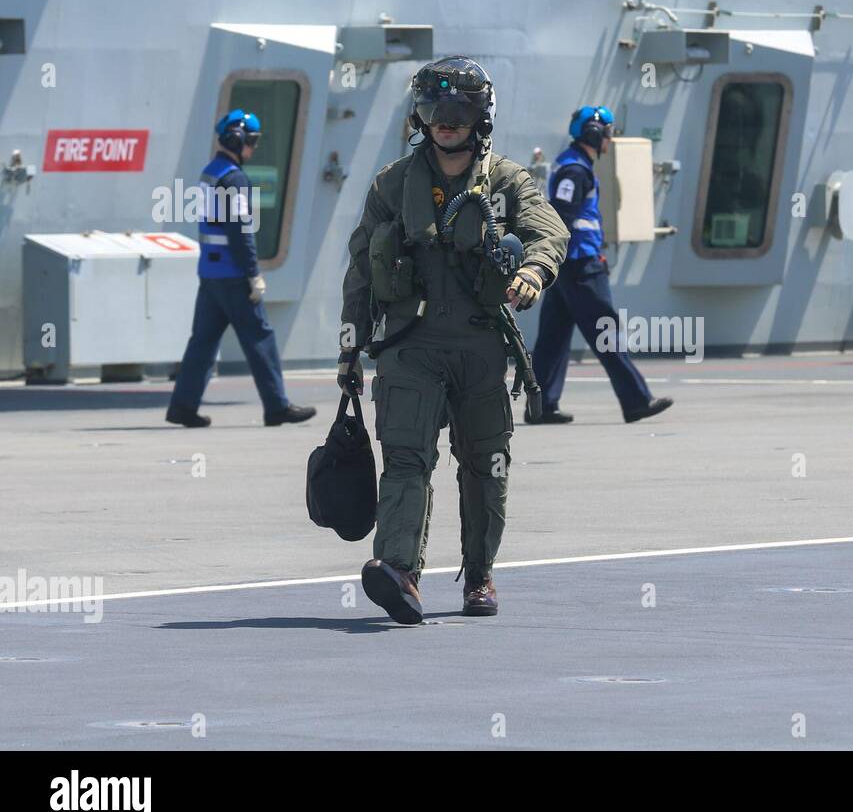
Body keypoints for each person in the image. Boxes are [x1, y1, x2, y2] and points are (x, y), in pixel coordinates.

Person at [338, 57, 569, 623]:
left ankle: (480, 575)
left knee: (486, 463)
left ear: (478, 117)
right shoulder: (392, 186)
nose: (444, 122)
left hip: (481, 346)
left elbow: (550, 232)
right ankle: (397, 571)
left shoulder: (509, 182)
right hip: (410, 346)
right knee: (405, 459)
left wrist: (532, 272)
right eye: (433, 110)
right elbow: (361, 272)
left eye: (458, 111)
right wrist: (349, 349)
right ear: (420, 116)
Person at [166, 110, 316, 427]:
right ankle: (277, 406)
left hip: (210, 274)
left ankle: (182, 406)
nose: (253, 148)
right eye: (252, 141)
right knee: (260, 338)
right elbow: (240, 232)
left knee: (202, 342)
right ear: (239, 140)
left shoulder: (211, 172)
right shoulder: (234, 179)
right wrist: (253, 275)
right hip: (234, 276)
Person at [527, 105, 673, 423]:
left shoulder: (574, 166)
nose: (610, 139)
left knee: (553, 336)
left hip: (570, 265)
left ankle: (540, 407)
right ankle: (636, 400)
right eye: (607, 133)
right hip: (580, 265)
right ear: (594, 134)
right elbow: (562, 219)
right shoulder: (575, 171)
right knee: (607, 332)